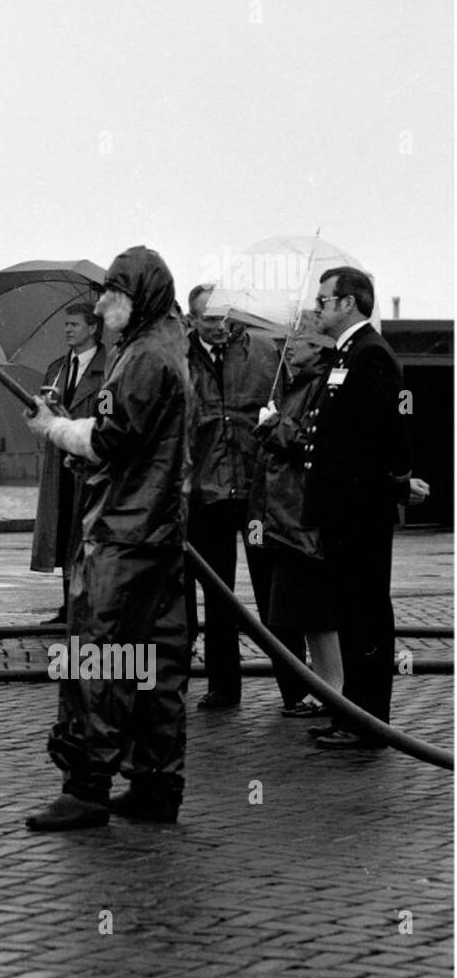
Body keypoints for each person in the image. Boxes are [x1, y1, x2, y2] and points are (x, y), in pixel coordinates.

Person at [22, 246, 192, 830]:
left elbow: (112, 439)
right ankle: (155, 782)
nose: (102, 305)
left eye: (112, 294)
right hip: (162, 534)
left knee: (99, 656)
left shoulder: (143, 356)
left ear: (136, 296)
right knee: (158, 662)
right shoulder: (169, 347)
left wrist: (54, 429)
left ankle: (87, 786)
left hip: (123, 535)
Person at [304, 267, 426, 750]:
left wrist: (393, 485)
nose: (318, 308)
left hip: (359, 511)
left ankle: (368, 722)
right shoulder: (348, 353)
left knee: (365, 616)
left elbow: (384, 434)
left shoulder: (370, 355)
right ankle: (353, 714)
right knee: (352, 614)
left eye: (324, 299)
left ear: (348, 304)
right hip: (343, 509)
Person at [184, 285, 304, 711]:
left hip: (257, 494)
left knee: (274, 591)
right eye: (206, 319)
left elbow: (291, 410)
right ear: (190, 319)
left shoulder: (266, 352)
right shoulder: (178, 362)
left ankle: (296, 689)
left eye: (221, 317)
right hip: (205, 493)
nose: (217, 327)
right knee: (219, 594)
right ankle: (223, 686)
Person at [250, 333, 343, 718]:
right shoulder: (300, 384)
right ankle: (324, 688)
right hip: (287, 515)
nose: (288, 346)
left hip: (302, 514)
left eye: (298, 340)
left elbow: (312, 442)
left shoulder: (321, 385)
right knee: (304, 610)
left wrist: (273, 425)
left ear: (319, 347)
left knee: (317, 610)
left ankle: (333, 688)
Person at [30, 301, 105, 622]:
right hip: (58, 461)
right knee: (62, 532)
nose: (68, 329)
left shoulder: (108, 368)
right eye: (66, 325)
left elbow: (107, 414)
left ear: (93, 327)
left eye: (74, 324)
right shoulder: (56, 369)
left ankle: (84, 606)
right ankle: (67, 605)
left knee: (84, 533)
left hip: (88, 460)